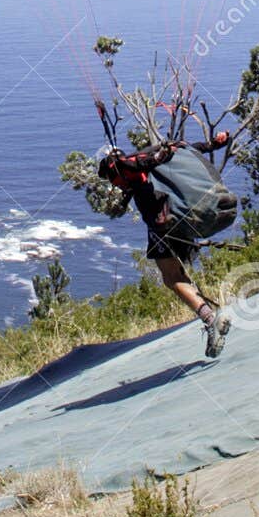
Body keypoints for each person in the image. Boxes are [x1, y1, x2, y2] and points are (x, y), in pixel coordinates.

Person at [98, 134, 232, 358]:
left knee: (172, 278)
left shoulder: (127, 166)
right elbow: (193, 148)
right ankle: (210, 315)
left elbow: (135, 164)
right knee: (178, 273)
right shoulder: (141, 170)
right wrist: (215, 144)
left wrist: (157, 157)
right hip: (181, 217)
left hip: (163, 226)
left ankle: (210, 320)